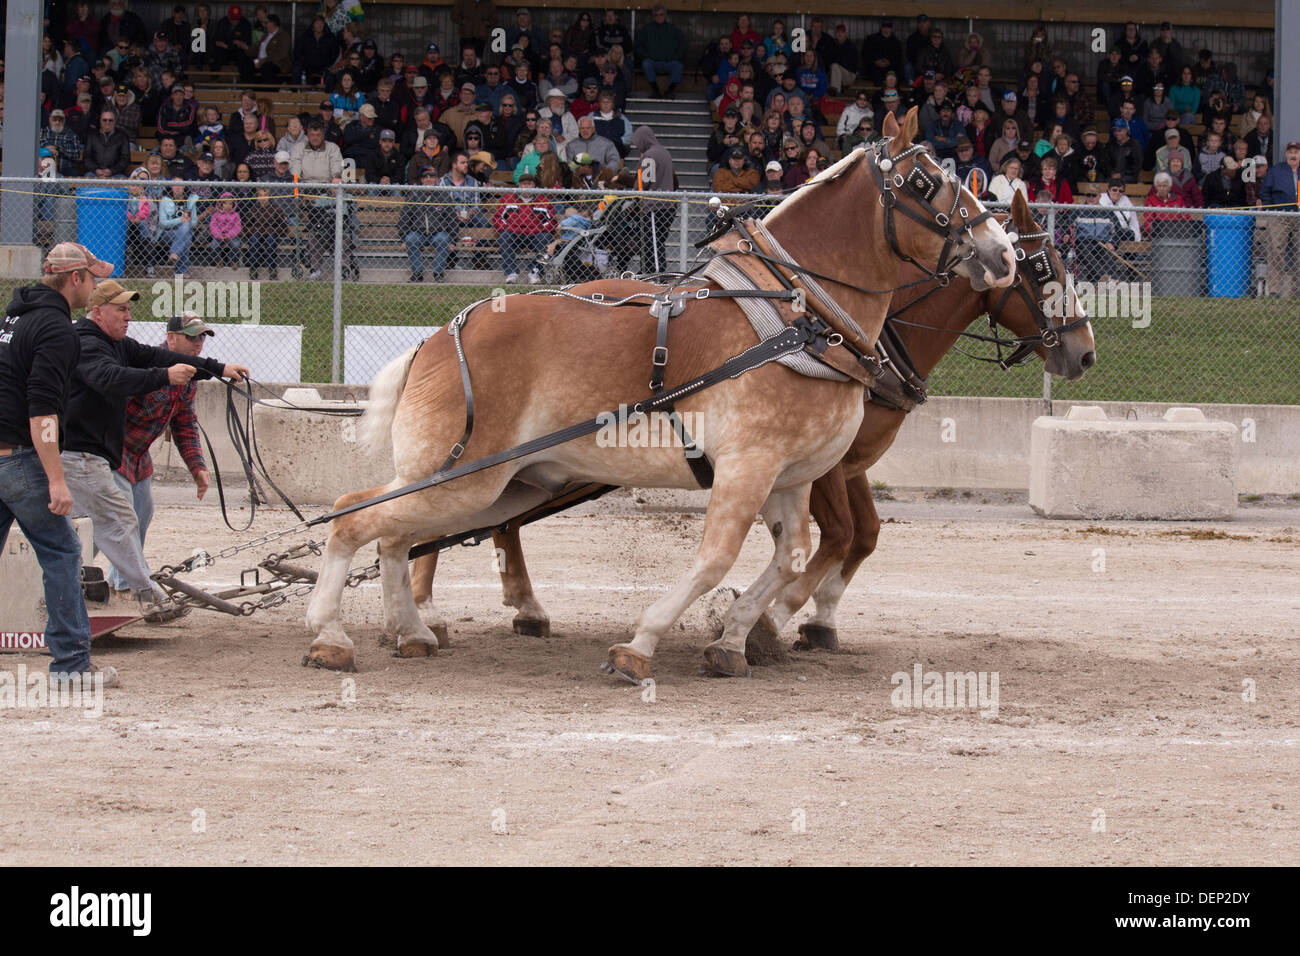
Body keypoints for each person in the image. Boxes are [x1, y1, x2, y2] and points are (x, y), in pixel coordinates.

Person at [62, 279, 248, 617]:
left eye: (130, 309)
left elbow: (184, 423)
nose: (128, 316)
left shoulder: (126, 347)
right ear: (97, 310)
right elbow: (112, 378)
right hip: (96, 454)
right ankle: (143, 595)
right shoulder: (88, 344)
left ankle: (97, 584)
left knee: (125, 520)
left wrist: (218, 369)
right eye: (121, 309)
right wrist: (164, 375)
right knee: (115, 522)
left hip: (126, 457)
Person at [0, 244, 113, 685]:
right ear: (74, 279)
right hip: (22, 461)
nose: (96, 287)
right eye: (93, 278)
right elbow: (43, 411)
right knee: (63, 553)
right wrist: (56, 480)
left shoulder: (14, 316)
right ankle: (71, 666)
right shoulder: (57, 329)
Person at [107, 312, 216, 595]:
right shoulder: (146, 364)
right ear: (170, 337)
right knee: (119, 517)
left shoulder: (189, 376)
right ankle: (127, 583)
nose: (198, 343)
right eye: (191, 337)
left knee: (142, 511)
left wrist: (197, 468)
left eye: (202, 337)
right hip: (111, 448)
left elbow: (184, 422)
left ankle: (119, 581)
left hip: (139, 455)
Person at [493, 171, 556, 284]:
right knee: (504, 237)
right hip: (514, 233)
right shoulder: (508, 199)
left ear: (534, 186)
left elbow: (551, 221)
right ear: (519, 185)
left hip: (535, 234)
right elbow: (498, 218)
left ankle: (535, 271)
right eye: (523, 184)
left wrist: (541, 229)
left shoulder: (543, 201)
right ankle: (511, 273)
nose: (526, 186)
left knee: (547, 239)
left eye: (529, 184)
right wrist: (506, 227)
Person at [1258, 141, 1300, 296]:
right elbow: (1265, 192)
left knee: (1299, 253)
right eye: (1290, 152)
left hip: (1299, 216)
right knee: (1276, 252)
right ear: (1286, 154)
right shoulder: (1276, 171)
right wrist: (1271, 212)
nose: (1293, 155)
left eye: (1296, 152)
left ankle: (1297, 291)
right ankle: (1274, 290)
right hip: (1279, 217)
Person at [636, 5, 686, 99]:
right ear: (653, 16)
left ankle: (670, 91)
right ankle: (655, 91)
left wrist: (675, 57)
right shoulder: (646, 30)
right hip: (652, 61)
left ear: (665, 15)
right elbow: (638, 46)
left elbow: (682, 46)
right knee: (646, 64)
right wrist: (646, 56)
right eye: (656, 15)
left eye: (661, 14)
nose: (659, 17)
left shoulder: (673, 30)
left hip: (669, 61)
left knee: (678, 65)